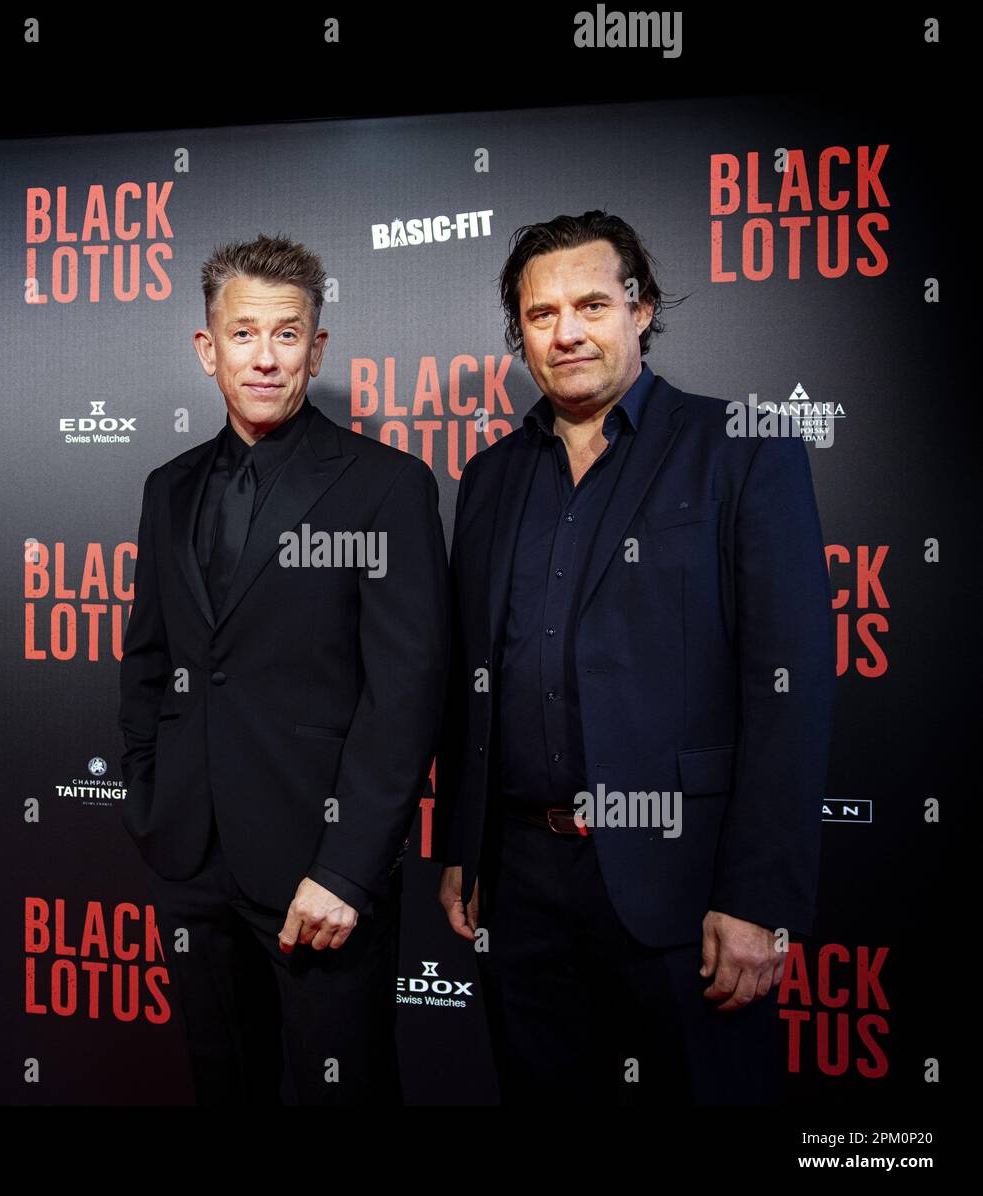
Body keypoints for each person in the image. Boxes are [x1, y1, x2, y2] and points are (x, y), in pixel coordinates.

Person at [435, 211, 835, 1103]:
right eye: (541, 315)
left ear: (641, 309)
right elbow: (474, 680)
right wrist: (462, 846)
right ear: (521, 333)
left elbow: (788, 689)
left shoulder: (741, 448)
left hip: (684, 886)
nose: (567, 332)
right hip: (522, 884)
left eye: (590, 304)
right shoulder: (491, 477)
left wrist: (760, 898)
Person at [119, 232, 448, 1105]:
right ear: (207, 348)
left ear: (317, 347)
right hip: (190, 859)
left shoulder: (387, 486)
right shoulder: (168, 488)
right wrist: (150, 802)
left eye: (288, 334)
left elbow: (406, 693)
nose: (264, 358)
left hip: (318, 871)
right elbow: (149, 663)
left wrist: (347, 870)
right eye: (243, 334)